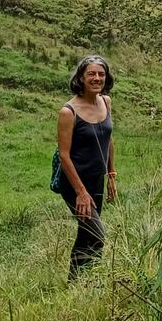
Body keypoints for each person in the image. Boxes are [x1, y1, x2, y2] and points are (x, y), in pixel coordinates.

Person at [57, 54, 117, 281]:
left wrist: (111, 174)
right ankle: (78, 280)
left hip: (96, 181)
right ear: (81, 77)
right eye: (91, 74)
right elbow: (64, 155)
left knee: (87, 232)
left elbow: (109, 139)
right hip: (75, 183)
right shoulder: (68, 112)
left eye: (101, 74)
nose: (97, 78)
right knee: (97, 233)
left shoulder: (106, 102)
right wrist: (81, 192)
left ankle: (87, 280)